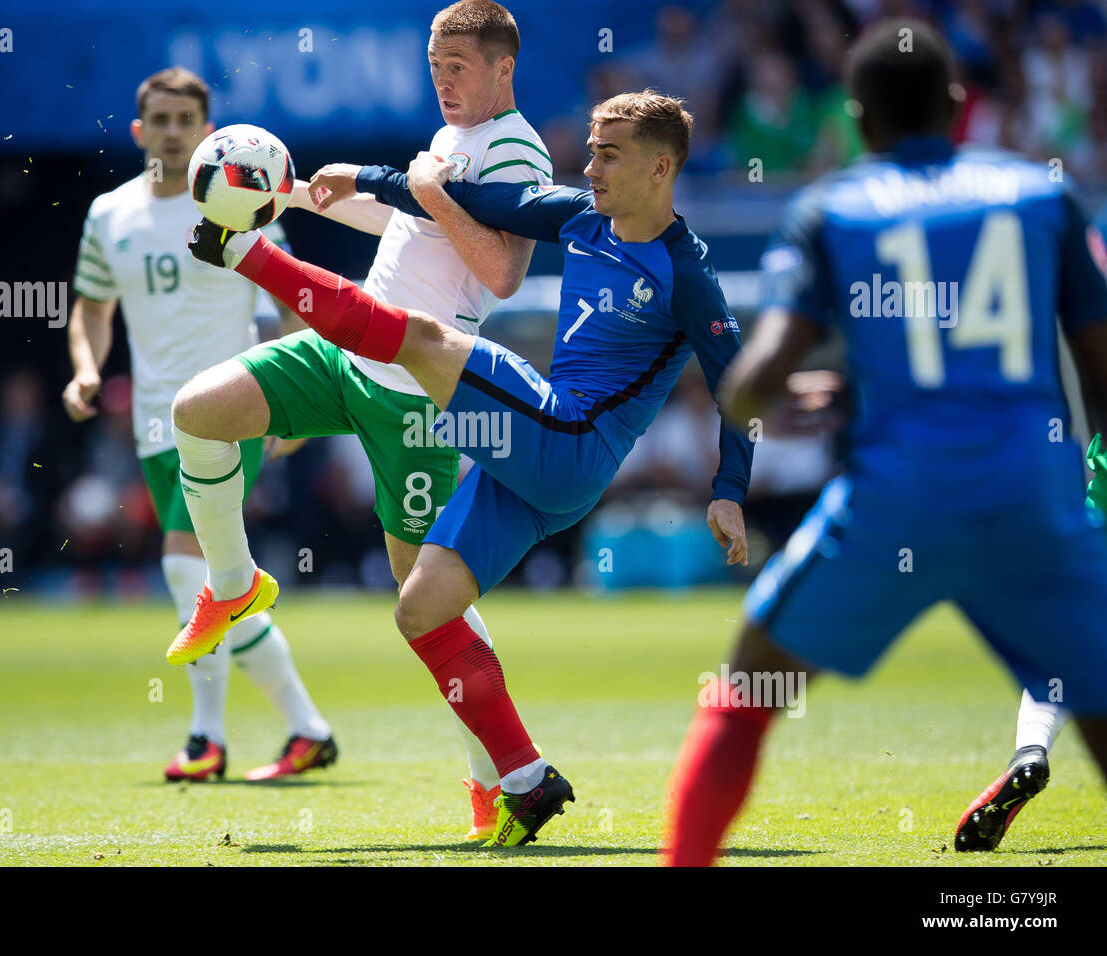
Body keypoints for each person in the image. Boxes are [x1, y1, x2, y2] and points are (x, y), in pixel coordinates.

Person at [183, 88, 753, 845]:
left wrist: (730, 491)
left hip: (567, 434)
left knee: (418, 336)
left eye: (608, 155)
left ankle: (248, 255)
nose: (590, 166)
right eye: (590, 149)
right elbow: (462, 198)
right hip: (541, 462)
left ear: (661, 167)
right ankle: (522, 780)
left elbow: (738, 385)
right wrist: (358, 179)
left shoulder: (688, 273)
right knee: (420, 609)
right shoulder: (580, 217)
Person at [662, 18, 1107, 866]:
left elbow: (757, 375)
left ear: (857, 118)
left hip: (896, 504)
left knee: (748, 689)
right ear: (955, 104)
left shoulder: (833, 208)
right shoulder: (1042, 197)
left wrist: (766, 390)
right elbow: (1098, 368)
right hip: (1032, 502)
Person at [165, 0, 554, 840]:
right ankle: (234, 588)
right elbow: (417, 219)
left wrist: (420, 190)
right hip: (350, 352)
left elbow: (501, 270)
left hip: (414, 393)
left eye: (458, 65)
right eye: (435, 63)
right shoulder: (453, 142)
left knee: (429, 605)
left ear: (502, 69)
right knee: (196, 414)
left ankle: (497, 777)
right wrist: (304, 198)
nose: (443, 79)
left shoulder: (517, 148)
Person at [64, 67, 336, 783]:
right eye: (161, 120)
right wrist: (86, 369)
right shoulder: (108, 214)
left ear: (207, 131)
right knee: (220, 580)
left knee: (189, 569)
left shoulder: (239, 202)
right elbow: (91, 307)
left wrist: (296, 400)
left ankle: (205, 740)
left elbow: (288, 297)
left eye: (187, 120)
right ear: (139, 130)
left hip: (232, 409)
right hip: (155, 425)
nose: (174, 132)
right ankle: (308, 728)